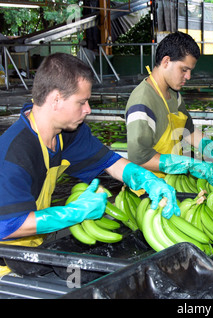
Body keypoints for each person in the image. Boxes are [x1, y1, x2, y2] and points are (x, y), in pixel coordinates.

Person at [0, 53, 179, 248]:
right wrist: (74, 213)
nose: (88, 109)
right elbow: (8, 225)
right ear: (56, 100)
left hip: (33, 247)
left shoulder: (67, 133)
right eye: (81, 102)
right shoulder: (13, 154)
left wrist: (147, 179)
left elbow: (110, 162)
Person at [125, 31, 213, 187]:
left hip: (174, 181)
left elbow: (188, 131)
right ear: (166, 62)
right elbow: (139, 158)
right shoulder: (142, 102)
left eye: (190, 70)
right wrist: (189, 165)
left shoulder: (174, 94)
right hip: (150, 189)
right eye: (184, 70)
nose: (189, 76)